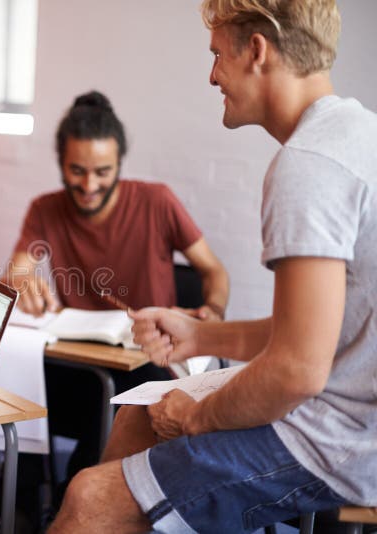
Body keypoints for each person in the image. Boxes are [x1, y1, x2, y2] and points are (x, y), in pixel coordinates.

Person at [51, 1, 377, 532]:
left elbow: (297, 370)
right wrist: (202, 337)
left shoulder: (308, 165)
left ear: (257, 51)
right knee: (139, 415)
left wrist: (197, 416)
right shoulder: (358, 133)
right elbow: (320, 333)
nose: (212, 75)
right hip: (352, 419)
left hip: (342, 444)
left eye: (217, 56)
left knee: (90, 497)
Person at [5, 90, 229, 517]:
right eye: (76, 171)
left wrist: (213, 312)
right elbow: (16, 271)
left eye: (102, 172)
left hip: (145, 363)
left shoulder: (157, 201)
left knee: (113, 400)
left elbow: (215, 271)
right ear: (60, 162)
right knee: (18, 384)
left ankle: (74, 505)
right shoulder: (45, 209)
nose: (89, 185)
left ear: (121, 163)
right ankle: (23, 505)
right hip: (79, 365)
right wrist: (23, 280)